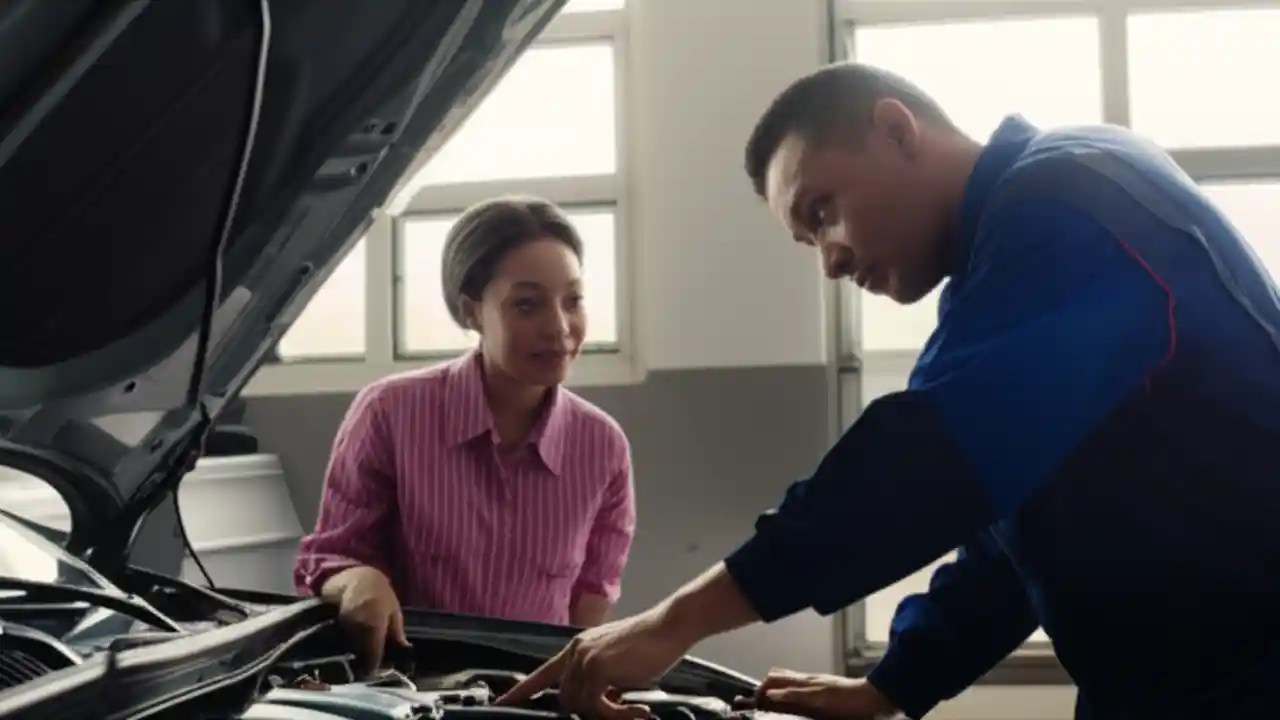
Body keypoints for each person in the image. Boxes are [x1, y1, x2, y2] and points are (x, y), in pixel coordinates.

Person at [496, 62, 1280, 720]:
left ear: (897, 130)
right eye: (808, 241)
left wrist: (677, 622)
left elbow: (933, 459)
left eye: (823, 211)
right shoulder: (1006, 271)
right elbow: (1018, 528)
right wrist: (894, 683)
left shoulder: (1070, 202)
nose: (829, 262)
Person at [293, 196, 637, 673]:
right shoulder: (390, 413)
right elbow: (329, 556)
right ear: (471, 312)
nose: (559, 327)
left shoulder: (602, 446)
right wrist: (358, 580)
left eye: (573, 300)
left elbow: (590, 606)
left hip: (530, 696)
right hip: (407, 689)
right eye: (527, 304)